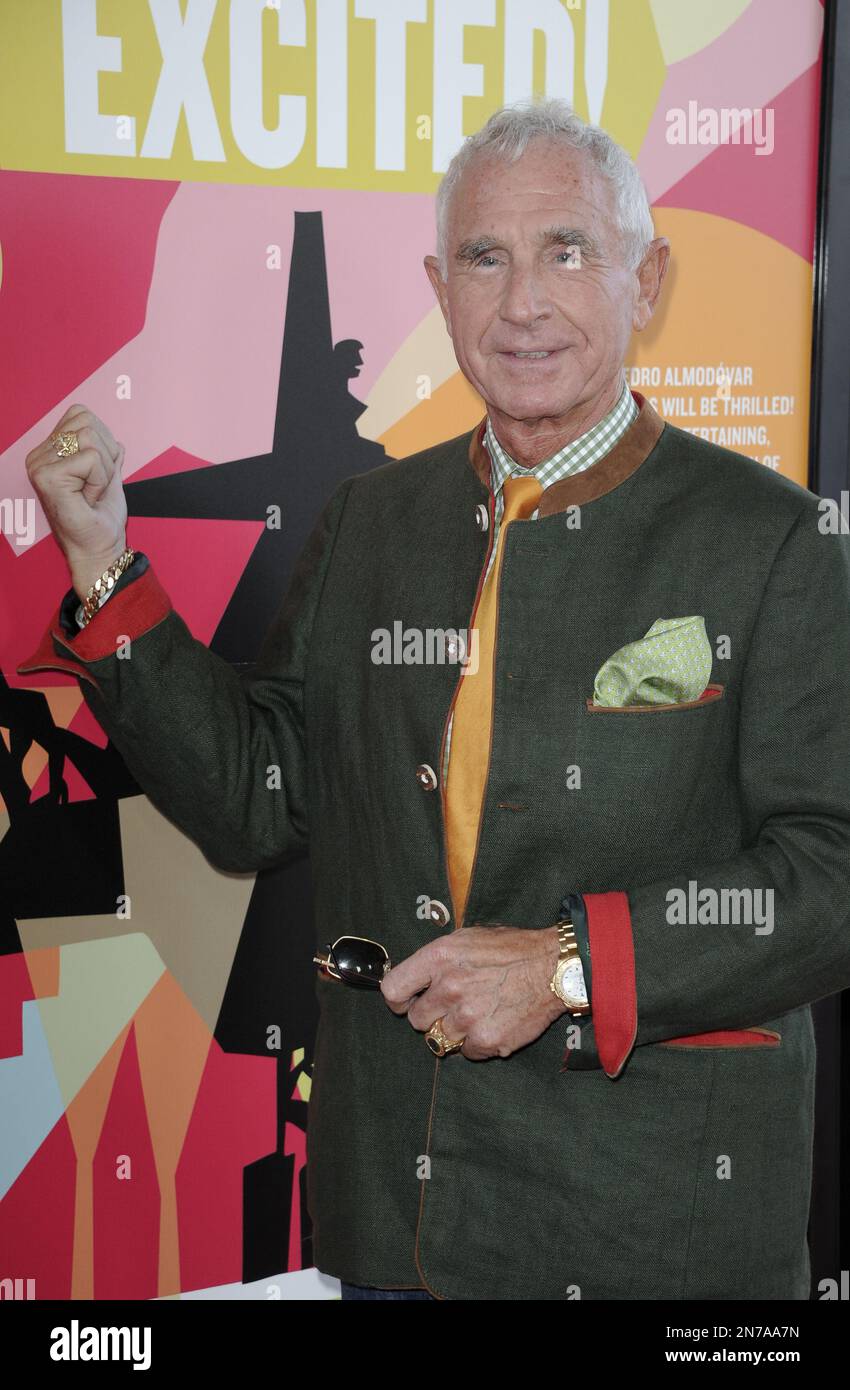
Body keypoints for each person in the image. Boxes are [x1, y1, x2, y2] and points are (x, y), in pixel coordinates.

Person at [20, 98, 850, 1301]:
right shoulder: (371, 520)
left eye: (567, 250)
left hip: (656, 1235)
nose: (522, 302)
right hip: (399, 1216)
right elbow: (262, 796)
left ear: (647, 278)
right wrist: (104, 562)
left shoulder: (773, 542)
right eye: (483, 257)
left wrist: (567, 965)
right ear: (437, 285)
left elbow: (829, 873)